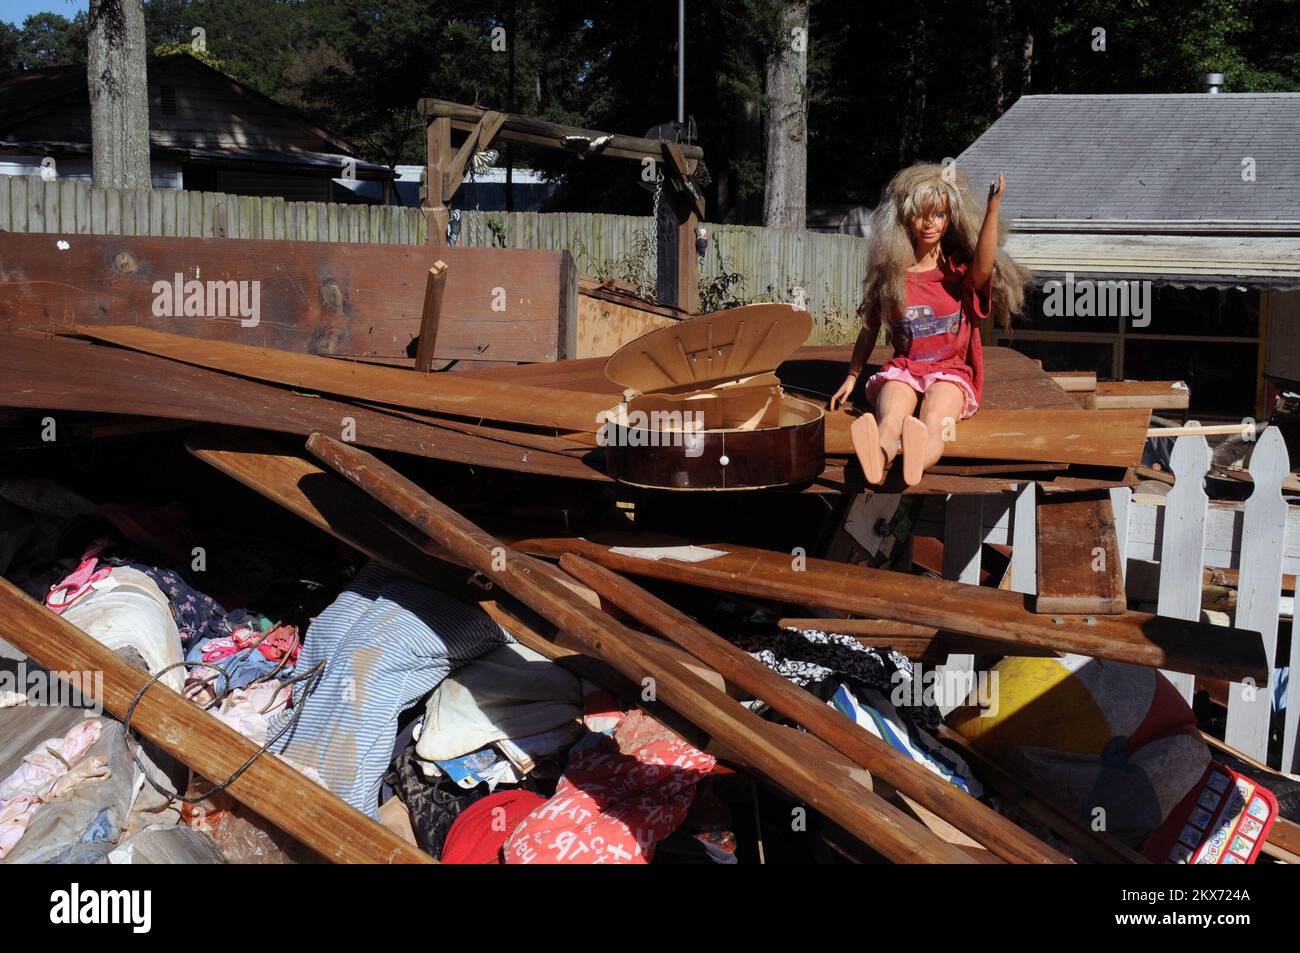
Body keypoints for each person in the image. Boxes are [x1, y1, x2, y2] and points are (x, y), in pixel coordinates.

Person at [830, 162, 1028, 485]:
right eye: (921, 214)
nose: (929, 223)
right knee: (892, 414)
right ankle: (877, 454)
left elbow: (984, 264)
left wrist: (992, 210)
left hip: (951, 371)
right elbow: (870, 328)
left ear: (950, 219)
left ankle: (916, 459)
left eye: (938, 214)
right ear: (906, 218)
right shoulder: (894, 276)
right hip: (905, 368)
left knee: (935, 420)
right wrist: (853, 373)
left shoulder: (958, 273)